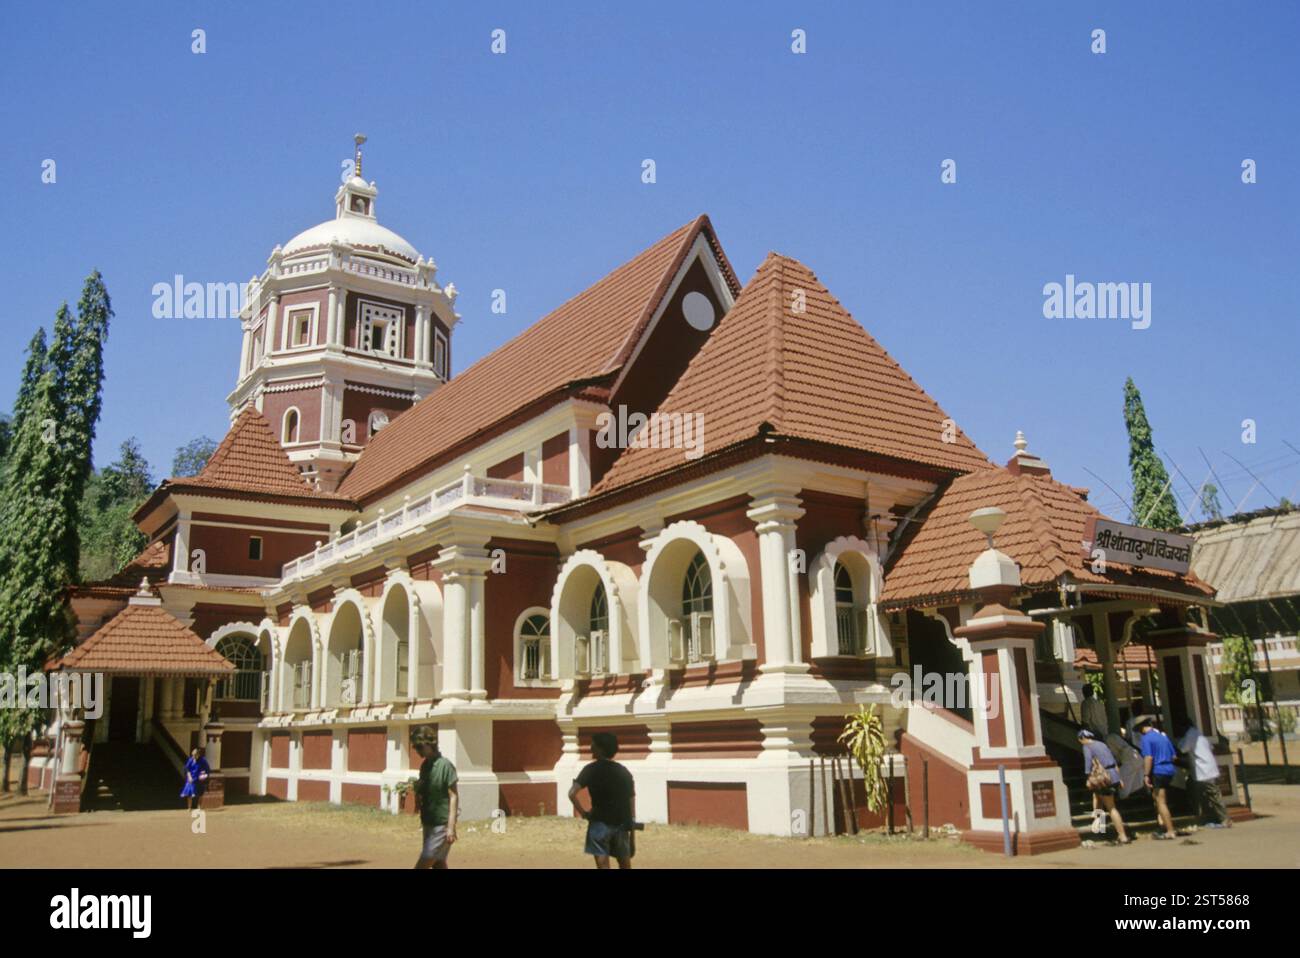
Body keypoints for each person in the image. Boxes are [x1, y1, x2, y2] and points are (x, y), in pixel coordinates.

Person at [569, 731, 636, 869]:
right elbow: (631, 803)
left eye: (593, 745)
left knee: (603, 865)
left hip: (599, 823)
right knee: (625, 865)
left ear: (600, 748)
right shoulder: (624, 772)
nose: (590, 748)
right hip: (621, 824)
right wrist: (633, 835)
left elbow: (571, 793)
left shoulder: (590, 770)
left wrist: (583, 813)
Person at [411, 726, 458, 869]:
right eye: (416, 747)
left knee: (425, 860)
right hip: (429, 821)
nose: (418, 750)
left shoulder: (445, 766)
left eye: (420, 746)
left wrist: (451, 826)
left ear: (429, 744)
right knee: (438, 862)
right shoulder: (425, 766)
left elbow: (453, 796)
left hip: (441, 823)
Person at [1079, 729, 1130, 844]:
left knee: (1111, 807)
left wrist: (1088, 778)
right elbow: (1113, 761)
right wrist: (1119, 778)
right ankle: (1100, 826)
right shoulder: (1102, 744)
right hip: (1113, 775)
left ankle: (1122, 835)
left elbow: (1088, 763)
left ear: (1083, 738)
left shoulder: (1087, 746)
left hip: (1103, 778)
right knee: (1097, 797)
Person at [1178, 724, 1231, 828]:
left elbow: (1182, 748)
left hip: (1204, 771)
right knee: (1209, 795)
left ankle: (1225, 819)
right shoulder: (1199, 734)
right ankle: (1216, 818)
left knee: (1213, 795)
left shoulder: (1190, 735)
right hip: (1207, 769)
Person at [1136, 717, 1180, 840]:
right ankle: (1163, 825)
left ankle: (1170, 830)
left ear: (1142, 728)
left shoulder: (1146, 739)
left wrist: (1146, 775)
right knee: (1157, 798)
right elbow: (1174, 756)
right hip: (1169, 769)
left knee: (1161, 802)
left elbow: (1148, 757)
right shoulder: (1163, 736)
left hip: (1158, 770)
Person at [180, 747, 210, 811]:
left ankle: (199, 806)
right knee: (189, 793)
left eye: (195, 755)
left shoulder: (203, 760)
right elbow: (187, 769)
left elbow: (207, 769)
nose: (193, 757)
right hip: (191, 778)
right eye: (193, 755)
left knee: (200, 793)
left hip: (199, 779)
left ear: (198, 755)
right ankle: (189, 807)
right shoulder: (191, 760)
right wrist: (189, 776)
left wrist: (204, 775)